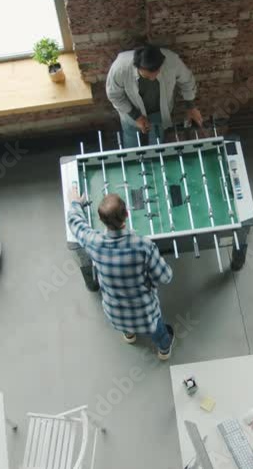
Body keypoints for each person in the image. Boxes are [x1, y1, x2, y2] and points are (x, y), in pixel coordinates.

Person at [66, 186, 177, 360]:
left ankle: (129, 335)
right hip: (146, 314)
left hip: (116, 313)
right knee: (160, 332)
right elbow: (166, 277)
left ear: (101, 220)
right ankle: (164, 351)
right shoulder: (143, 246)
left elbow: (76, 225)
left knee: (125, 324)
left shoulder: (94, 243)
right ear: (126, 214)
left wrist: (74, 203)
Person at [106, 44, 203, 149]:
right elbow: (114, 95)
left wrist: (191, 107)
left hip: (158, 112)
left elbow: (187, 82)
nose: (152, 78)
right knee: (131, 143)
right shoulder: (120, 68)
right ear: (137, 67)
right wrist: (136, 116)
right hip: (130, 112)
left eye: (156, 73)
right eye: (147, 76)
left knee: (157, 145)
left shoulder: (172, 61)